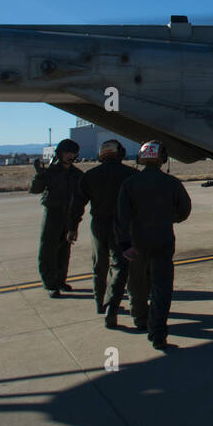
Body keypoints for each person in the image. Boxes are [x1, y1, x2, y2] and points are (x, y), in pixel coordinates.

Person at [116, 141, 192, 350]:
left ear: (140, 159)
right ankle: (158, 334)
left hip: (137, 242)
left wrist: (125, 244)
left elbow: (121, 218)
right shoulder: (172, 183)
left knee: (137, 284)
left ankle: (140, 320)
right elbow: (184, 210)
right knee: (162, 287)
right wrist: (171, 218)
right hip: (163, 240)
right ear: (163, 159)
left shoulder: (129, 184)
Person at [72, 139, 138, 328]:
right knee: (119, 266)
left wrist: (72, 227)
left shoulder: (90, 176)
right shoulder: (131, 175)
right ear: (121, 153)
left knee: (99, 264)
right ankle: (112, 307)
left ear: (102, 155)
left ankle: (98, 303)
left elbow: (77, 204)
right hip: (122, 226)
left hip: (98, 224)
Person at [30, 138, 84, 297]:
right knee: (48, 249)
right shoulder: (50, 172)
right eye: (67, 152)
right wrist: (39, 175)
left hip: (69, 215)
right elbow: (36, 190)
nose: (70, 155)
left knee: (64, 250)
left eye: (73, 153)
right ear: (60, 153)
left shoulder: (77, 174)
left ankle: (61, 280)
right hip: (53, 213)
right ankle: (50, 284)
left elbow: (81, 196)